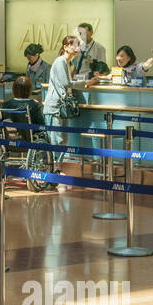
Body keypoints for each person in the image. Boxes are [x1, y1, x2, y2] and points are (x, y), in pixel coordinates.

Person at [47, 35, 98, 191]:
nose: (77, 48)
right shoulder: (60, 62)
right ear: (66, 46)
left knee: (62, 139)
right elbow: (66, 83)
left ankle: (57, 169)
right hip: (55, 106)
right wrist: (86, 83)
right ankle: (54, 170)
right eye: (74, 45)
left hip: (61, 107)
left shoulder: (68, 63)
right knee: (57, 139)